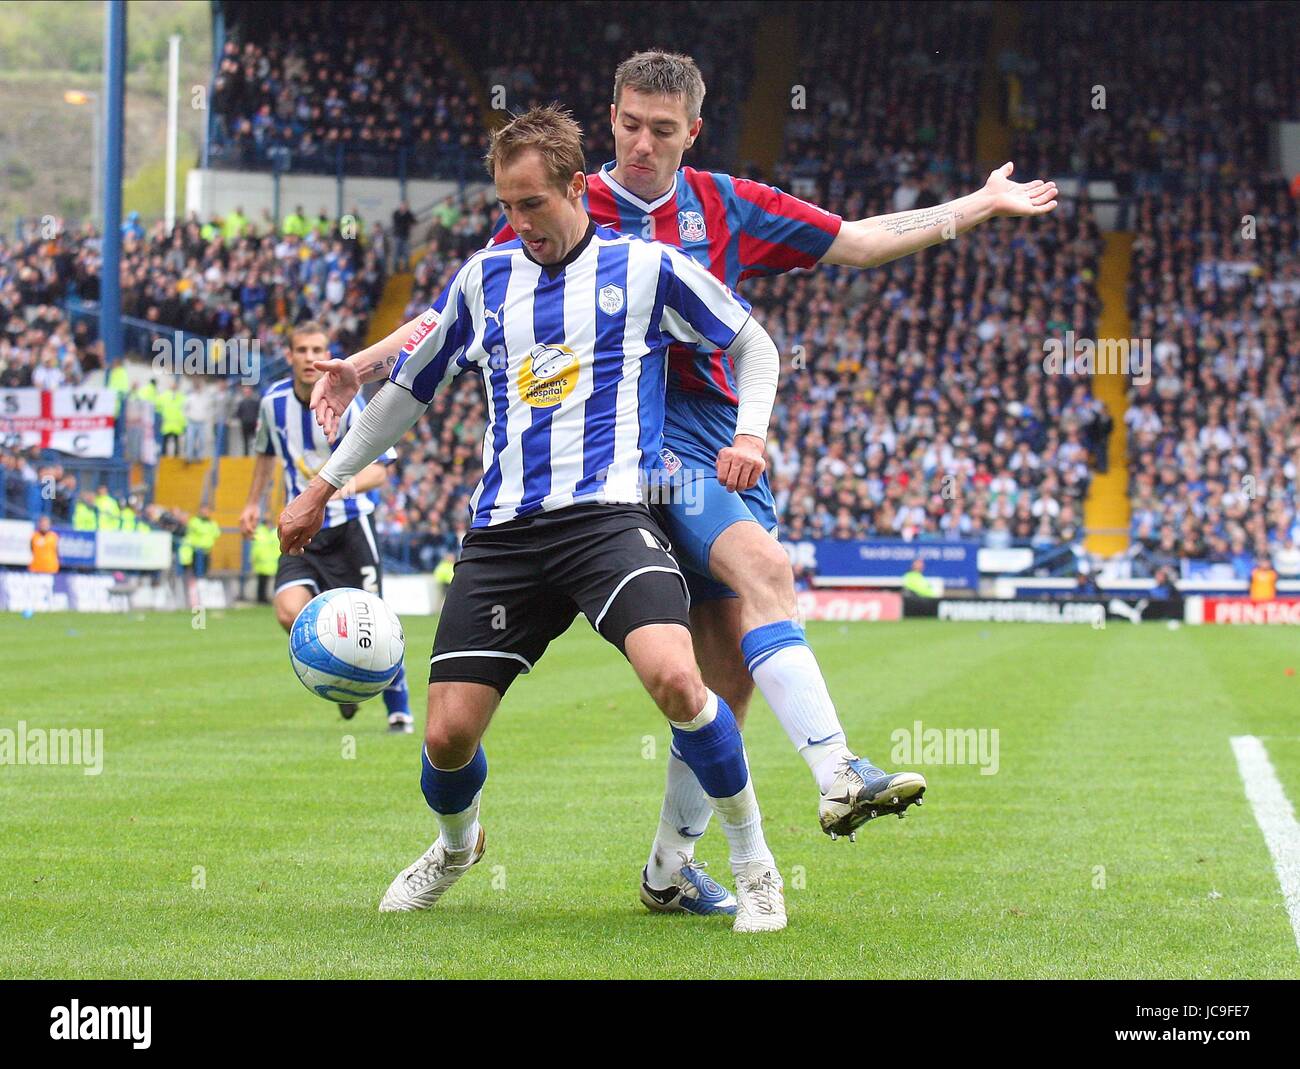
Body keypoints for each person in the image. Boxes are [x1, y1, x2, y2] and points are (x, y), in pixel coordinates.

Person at [309, 51, 1052, 904]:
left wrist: (979, 206)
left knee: (725, 671)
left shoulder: (727, 204)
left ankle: (669, 870)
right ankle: (838, 768)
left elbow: (857, 241)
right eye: (627, 124)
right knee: (763, 573)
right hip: (643, 443)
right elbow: (468, 305)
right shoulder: (564, 198)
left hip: (719, 432)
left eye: (661, 130)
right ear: (612, 115)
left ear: (691, 133)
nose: (639, 145)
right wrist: (365, 365)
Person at [279, 106, 788, 931]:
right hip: (507, 534)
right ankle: (455, 845)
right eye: (507, 207)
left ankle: (755, 866)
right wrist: (322, 486)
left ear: (575, 188)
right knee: (445, 737)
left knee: (679, 680)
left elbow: (753, 345)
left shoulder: (646, 267)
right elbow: (408, 392)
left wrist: (750, 431)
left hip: (611, 520)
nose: (520, 224)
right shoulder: (485, 278)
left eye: (533, 206)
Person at [240, 322, 413, 733]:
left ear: (326, 353)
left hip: (351, 527)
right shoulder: (273, 403)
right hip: (304, 532)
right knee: (288, 612)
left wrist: (337, 488)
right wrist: (252, 503)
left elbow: (383, 469)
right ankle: (341, 679)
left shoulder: (350, 402)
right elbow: (266, 454)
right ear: (290, 356)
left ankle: (399, 708)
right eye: (301, 349)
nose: (307, 357)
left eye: (316, 348)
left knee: (377, 620)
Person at [250, 520, 280, 603]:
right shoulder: (263, 533)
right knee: (262, 582)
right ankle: (261, 598)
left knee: (264, 582)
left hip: (267, 563)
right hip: (263, 563)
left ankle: (263, 598)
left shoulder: (265, 533)